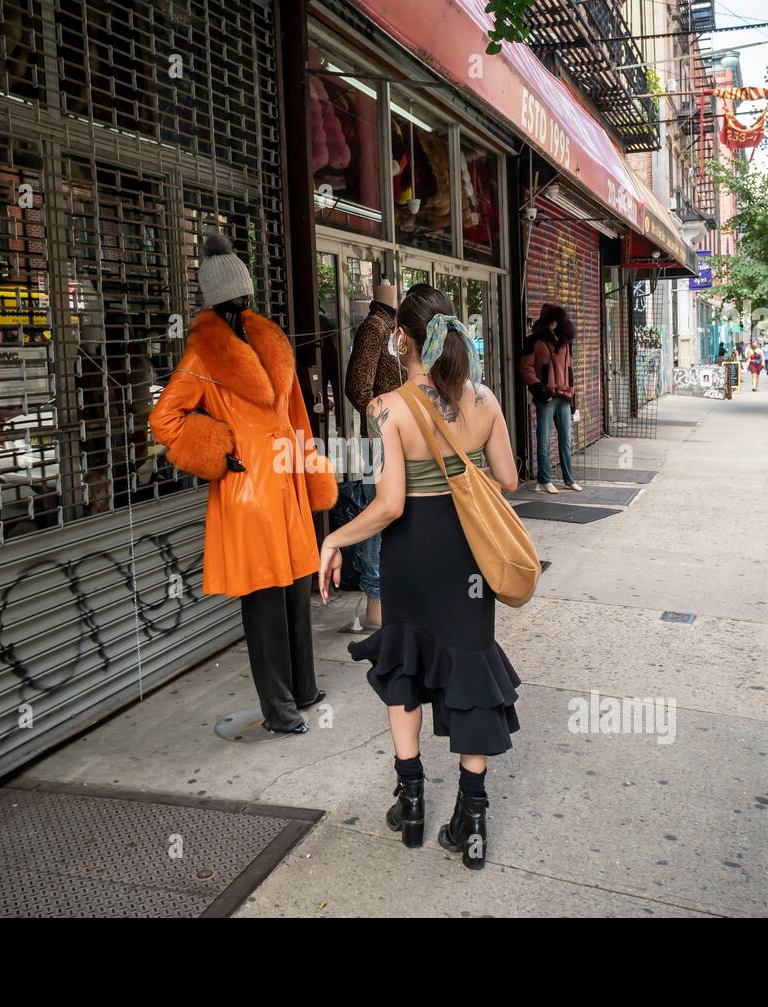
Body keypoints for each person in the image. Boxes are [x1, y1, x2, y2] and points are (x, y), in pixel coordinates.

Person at [316, 284, 522, 871]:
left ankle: (410, 803)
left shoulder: (390, 407)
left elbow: (388, 507)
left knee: (403, 663)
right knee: (470, 665)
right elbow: (507, 478)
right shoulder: (484, 399)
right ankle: (471, 817)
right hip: (468, 560)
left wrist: (333, 537)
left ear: (401, 338)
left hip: (411, 556)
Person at [149, 234, 338, 735]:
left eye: (245, 294)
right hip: (248, 493)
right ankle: (279, 710)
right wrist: (219, 447)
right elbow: (165, 419)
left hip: (286, 490)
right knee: (264, 602)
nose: (243, 302)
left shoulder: (271, 342)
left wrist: (310, 476)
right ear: (221, 299)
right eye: (237, 296)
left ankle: (303, 689)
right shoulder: (204, 356)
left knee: (294, 593)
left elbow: (298, 418)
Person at [344, 281, 401, 629]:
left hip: (397, 440)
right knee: (375, 519)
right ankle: (375, 599)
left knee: (389, 518)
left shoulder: (392, 329)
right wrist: (383, 418)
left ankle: (386, 594)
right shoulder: (374, 329)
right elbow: (357, 386)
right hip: (381, 442)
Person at [518, 302, 582, 494]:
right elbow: (525, 368)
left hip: (564, 396)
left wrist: (573, 399)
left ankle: (569, 479)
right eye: (552, 320)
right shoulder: (534, 341)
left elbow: (570, 371)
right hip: (546, 397)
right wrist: (540, 389)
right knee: (543, 439)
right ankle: (544, 480)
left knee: (566, 440)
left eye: (557, 320)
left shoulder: (566, 342)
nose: (555, 323)